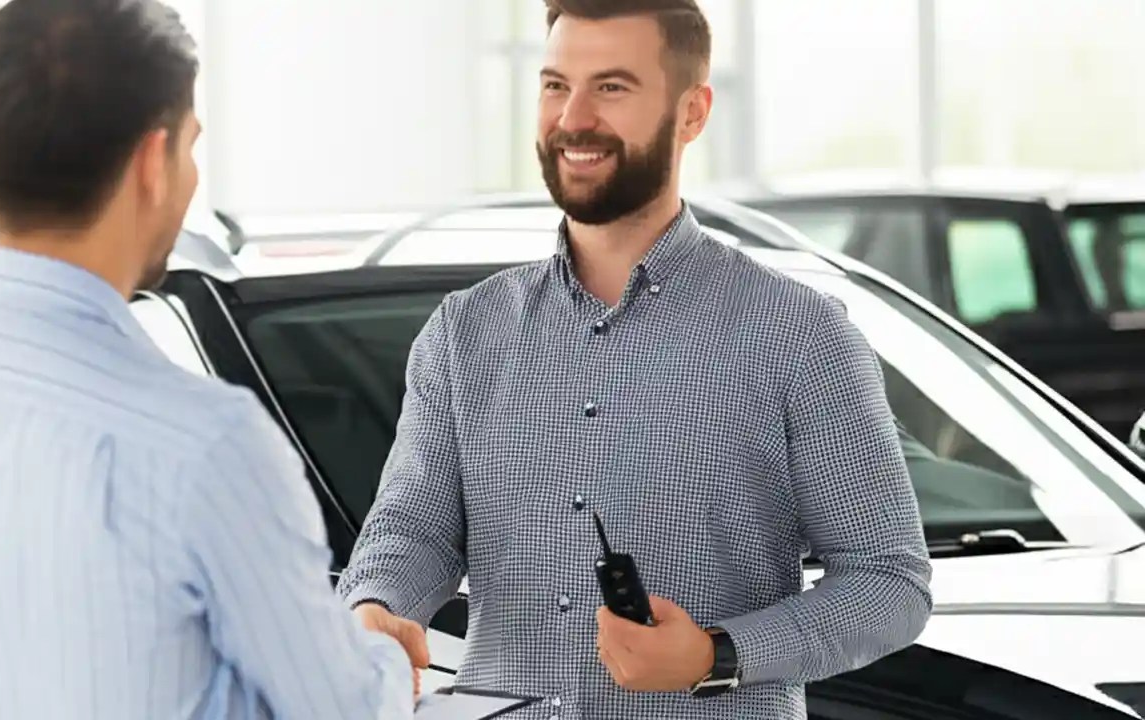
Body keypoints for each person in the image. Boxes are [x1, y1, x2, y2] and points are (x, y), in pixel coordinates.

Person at [337, 0, 933, 717]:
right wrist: (374, 604)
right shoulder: (465, 331)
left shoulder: (798, 334)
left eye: (611, 88)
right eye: (556, 85)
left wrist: (717, 655)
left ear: (692, 112)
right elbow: (415, 530)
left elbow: (889, 582)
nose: (573, 117)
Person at [0, 1, 417, 718]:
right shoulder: (205, 442)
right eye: (190, 146)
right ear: (153, 161)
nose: (190, 178)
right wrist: (378, 655)